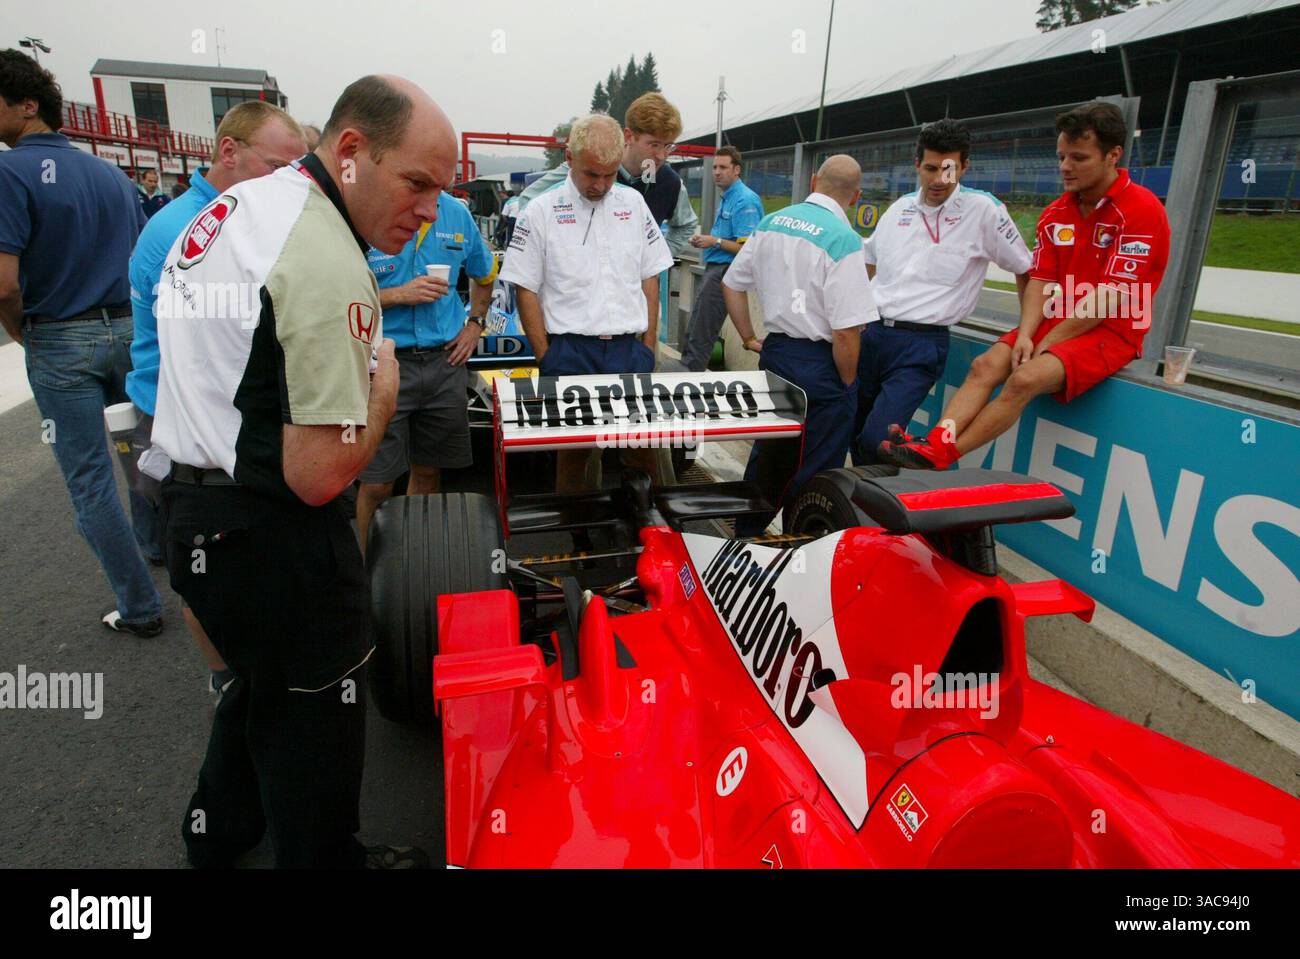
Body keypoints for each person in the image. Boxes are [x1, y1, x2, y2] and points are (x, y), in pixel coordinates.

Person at [150, 74, 454, 869]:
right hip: (271, 529)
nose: (429, 211)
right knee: (320, 705)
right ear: (351, 152)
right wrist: (381, 393)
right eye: (417, 183)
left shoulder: (239, 207)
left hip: (193, 500)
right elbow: (321, 474)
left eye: (441, 191)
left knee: (259, 685)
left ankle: (215, 834)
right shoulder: (322, 253)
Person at [128, 100, 307, 694]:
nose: (290, 182)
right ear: (228, 152)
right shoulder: (182, 227)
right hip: (185, 408)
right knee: (205, 560)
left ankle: (257, 665)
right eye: (278, 167)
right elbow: (202, 340)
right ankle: (226, 680)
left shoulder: (248, 214)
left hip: (229, 406)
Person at [881, 102, 1171, 470]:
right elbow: (1040, 281)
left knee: (1024, 378)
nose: (1065, 167)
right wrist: (1026, 334)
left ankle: (944, 454)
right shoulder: (1056, 212)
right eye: (1062, 156)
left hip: (1111, 330)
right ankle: (938, 440)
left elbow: (1111, 296)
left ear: (1113, 155)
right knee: (986, 365)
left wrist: (1049, 341)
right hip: (1059, 321)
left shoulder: (1141, 208)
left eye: (1078, 158)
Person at [0, 49, 164, 637]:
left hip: (60, 337)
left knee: (90, 480)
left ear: (25, 105)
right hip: (125, 327)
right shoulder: (109, 173)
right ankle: (160, 546)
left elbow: (4, 284)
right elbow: (145, 260)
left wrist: (23, 333)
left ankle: (141, 607)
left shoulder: (9, 171)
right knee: (144, 450)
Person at [499, 113, 674, 496]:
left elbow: (651, 275)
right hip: (571, 352)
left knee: (644, 449)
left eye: (610, 175)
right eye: (591, 174)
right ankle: (579, 541)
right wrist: (546, 356)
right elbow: (524, 288)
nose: (600, 185)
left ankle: (652, 535)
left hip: (629, 349)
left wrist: (647, 345)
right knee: (576, 456)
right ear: (569, 158)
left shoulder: (633, 204)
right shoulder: (539, 213)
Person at [854, 119, 1032, 464]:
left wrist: (1028, 332)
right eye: (931, 168)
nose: (938, 179)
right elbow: (868, 262)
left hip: (919, 346)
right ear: (917, 165)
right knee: (852, 429)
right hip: (870, 332)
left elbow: (1025, 268)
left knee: (878, 439)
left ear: (964, 167)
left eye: (949, 169)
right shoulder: (898, 209)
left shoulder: (984, 210)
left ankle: (875, 510)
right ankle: (857, 512)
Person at [722, 156, 878, 535]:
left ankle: (743, 541)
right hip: (821, 366)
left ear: (813, 180)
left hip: (776, 355)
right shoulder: (844, 240)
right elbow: (845, 332)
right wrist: (847, 385)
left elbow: (732, 284)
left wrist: (747, 338)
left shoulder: (771, 222)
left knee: (770, 456)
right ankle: (799, 546)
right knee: (816, 469)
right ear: (855, 197)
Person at [355, 191, 497, 554]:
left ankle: (412, 562)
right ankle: (366, 572)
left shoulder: (456, 213)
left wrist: (475, 325)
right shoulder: (369, 206)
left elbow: (485, 275)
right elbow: (339, 293)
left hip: (444, 363)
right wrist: (398, 294)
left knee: (430, 472)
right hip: (383, 362)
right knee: (377, 482)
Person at [515, 93, 698, 255]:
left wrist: (656, 257)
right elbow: (526, 203)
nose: (661, 156)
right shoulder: (583, 166)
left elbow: (686, 225)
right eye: (654, 145)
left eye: (668, 146)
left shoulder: (670, 183)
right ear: (628, 137)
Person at [682, 146, 763, 371]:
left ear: (737, 170)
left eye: (723, 167)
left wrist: (714, 242)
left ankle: (690, 380)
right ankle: (688, 374)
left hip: (725, 271)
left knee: (702, 332)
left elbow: (748, 250)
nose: (717, 172)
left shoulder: (745, 200)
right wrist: (708, 241)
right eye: (715, 167)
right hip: (715, 268)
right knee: (696, 328)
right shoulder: (728, 196)